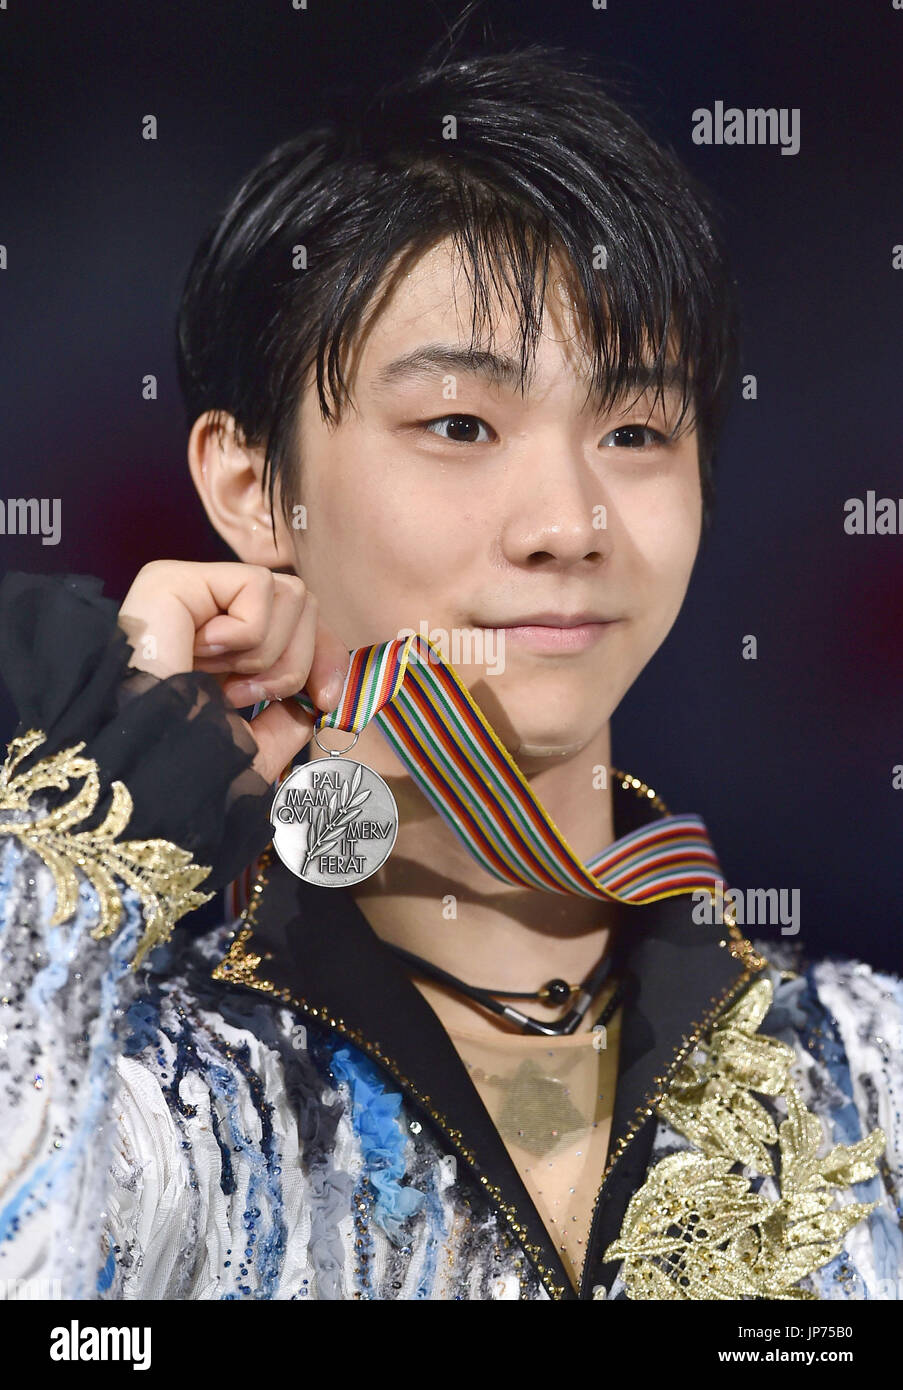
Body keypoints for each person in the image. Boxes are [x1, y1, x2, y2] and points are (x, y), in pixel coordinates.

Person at [0, 44, 900, 1304]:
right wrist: (108, 809)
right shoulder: (153, 1073)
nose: (571, 521)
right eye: (461, 426)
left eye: (637, 431)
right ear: (254, 489)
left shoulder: (870, 1079)